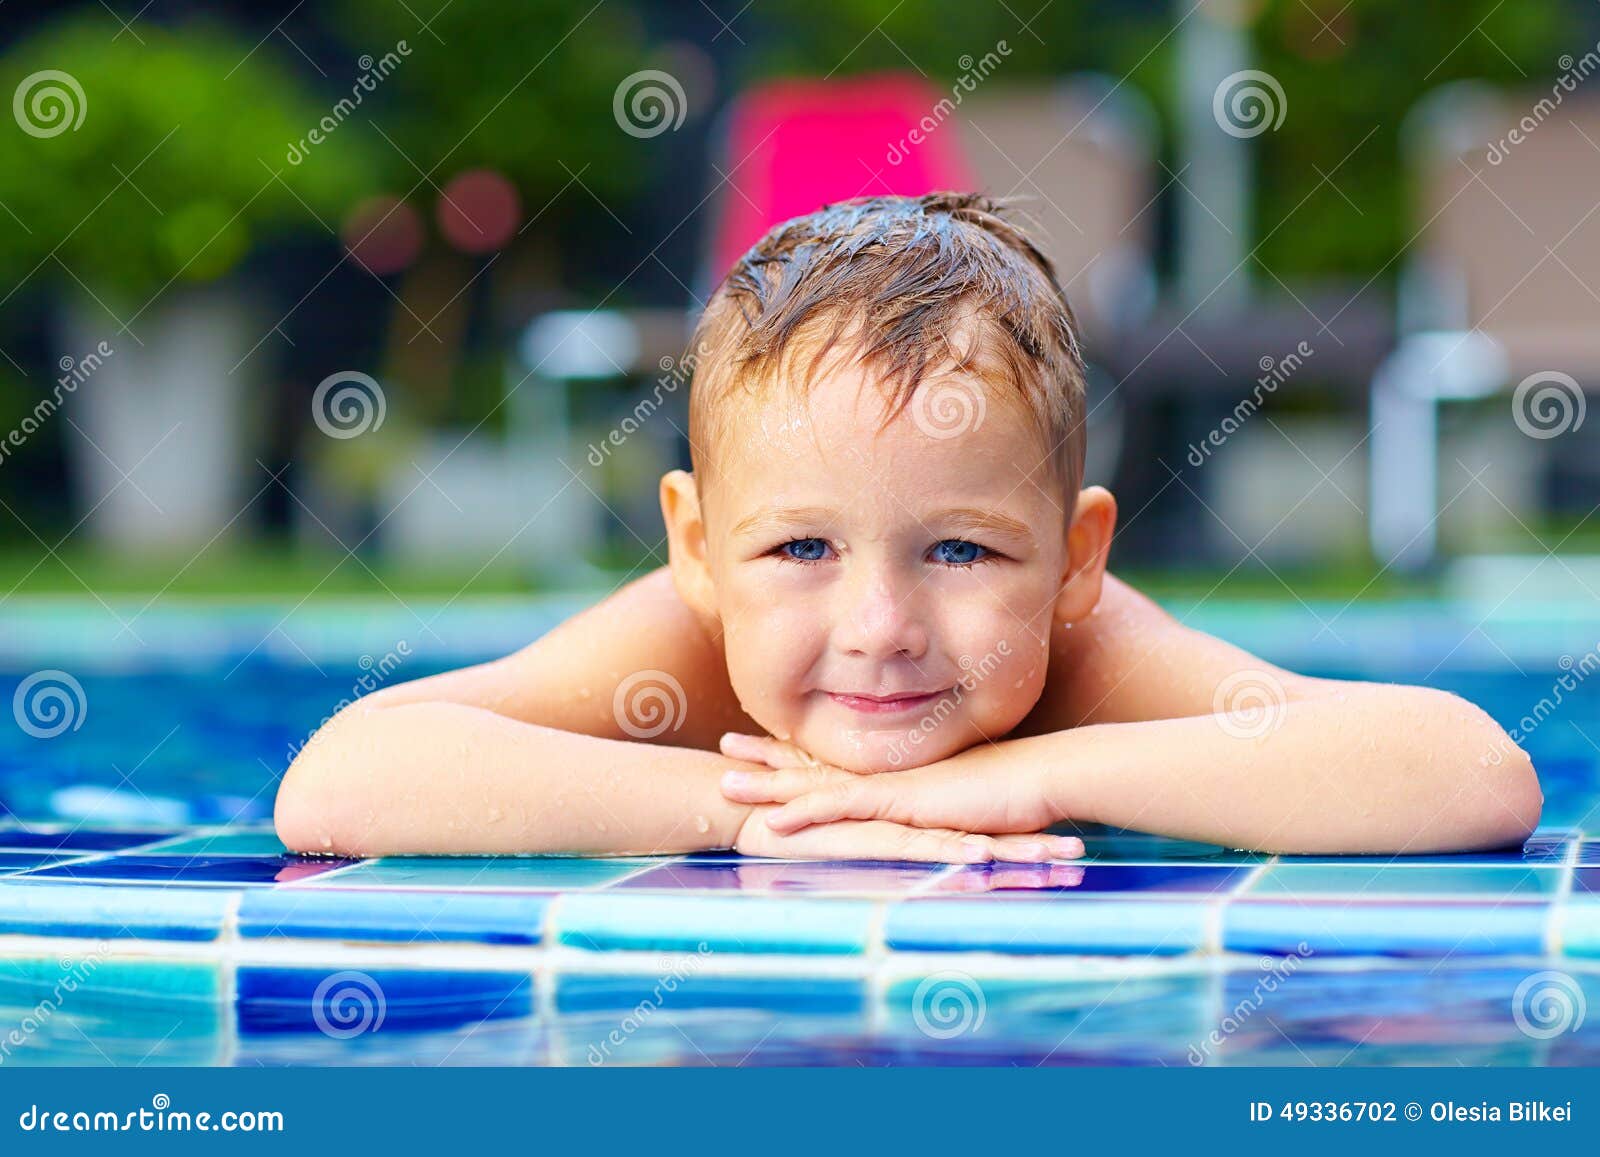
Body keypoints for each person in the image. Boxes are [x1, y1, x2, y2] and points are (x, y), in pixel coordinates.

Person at [274, 192, 1541, 863]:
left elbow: (1466, 774)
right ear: (700, 550)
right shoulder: (686, 648)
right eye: (800, 548)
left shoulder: (1094, 668)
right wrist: (752, 810)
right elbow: (340, 777)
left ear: (1076, 561)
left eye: (959, 550)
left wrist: (1018, 779)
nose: (878, 629)